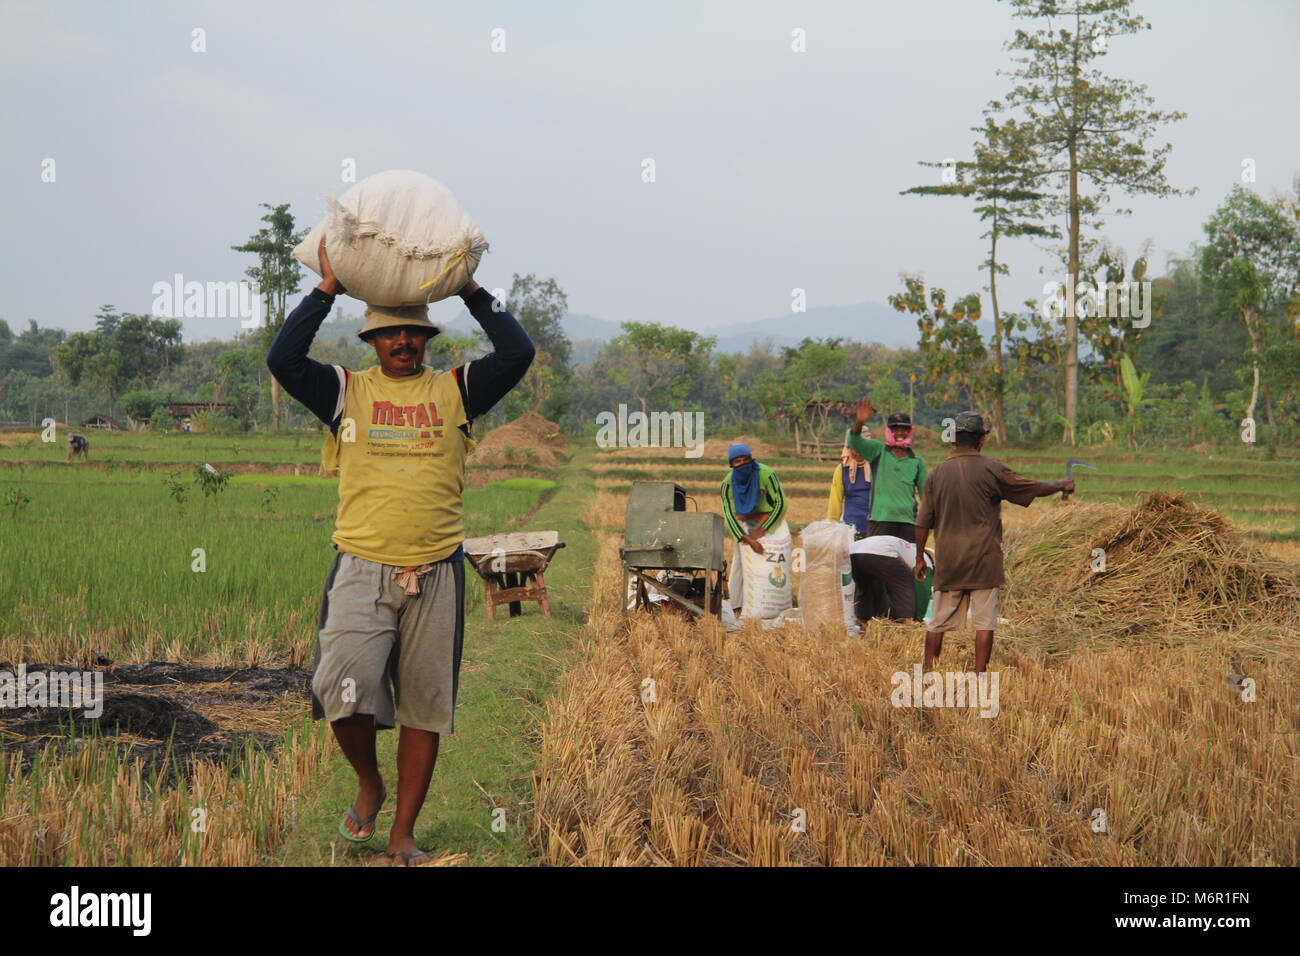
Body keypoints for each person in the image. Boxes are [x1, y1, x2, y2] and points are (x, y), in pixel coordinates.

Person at [266, 236, 534, 865]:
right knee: (341, 688)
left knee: (425, 708)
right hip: (361, 566)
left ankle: (402, 833)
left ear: (427, 341)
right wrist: (326, 287)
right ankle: (369, 780)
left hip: (437, 571)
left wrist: (468, 287)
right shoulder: (343, 392)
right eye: (390, 336)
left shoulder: (458, 391)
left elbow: (518, 350)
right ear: (372, 342)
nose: (404, 343)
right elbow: (283, 357)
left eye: (414, 335)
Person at [913, 411, 1072, 674]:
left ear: (953, 440)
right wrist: (1060, 484)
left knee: (937, 621)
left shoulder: (937, 474)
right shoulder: (992, 469)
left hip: (949, 560)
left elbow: (922, 522)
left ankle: (929, 671)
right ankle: (979, 675)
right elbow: (1029, 487)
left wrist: (919, 557)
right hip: (984, 560)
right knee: (985, 622)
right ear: (981, 440)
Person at [720, 442, 788, 614]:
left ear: (752, 460)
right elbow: (728, 515)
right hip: (743, 524)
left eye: (745, 460)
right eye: (737, 462)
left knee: (771, 562)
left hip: (769, 519)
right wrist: (748, 539)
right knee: (740, 564)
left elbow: (781, 502)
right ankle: (736, 606)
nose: (742, 464)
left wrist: (763, 530)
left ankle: (774, 605)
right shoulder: (728, 484)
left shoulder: (766, 473)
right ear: (732, 465)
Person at [845, 400, 926, 542]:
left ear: (909, 431)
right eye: (895, 429)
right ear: (889, 431)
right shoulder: (878, 451)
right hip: (880, 520)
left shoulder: (917, 461)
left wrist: (926, 523)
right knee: (876, 561)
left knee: (907, 563)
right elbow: (854, 441)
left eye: (903, 429)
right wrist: (859, 422)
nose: (899, 432)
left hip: (907, 522)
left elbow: (926, 494)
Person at [826, 440, 872, 537]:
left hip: (874, 528)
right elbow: (835, 501)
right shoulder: (841, 470)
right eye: (854, 448)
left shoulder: (876, 468)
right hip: (850, 529)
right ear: (848, 449)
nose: (858, 452)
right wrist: (831, 527)